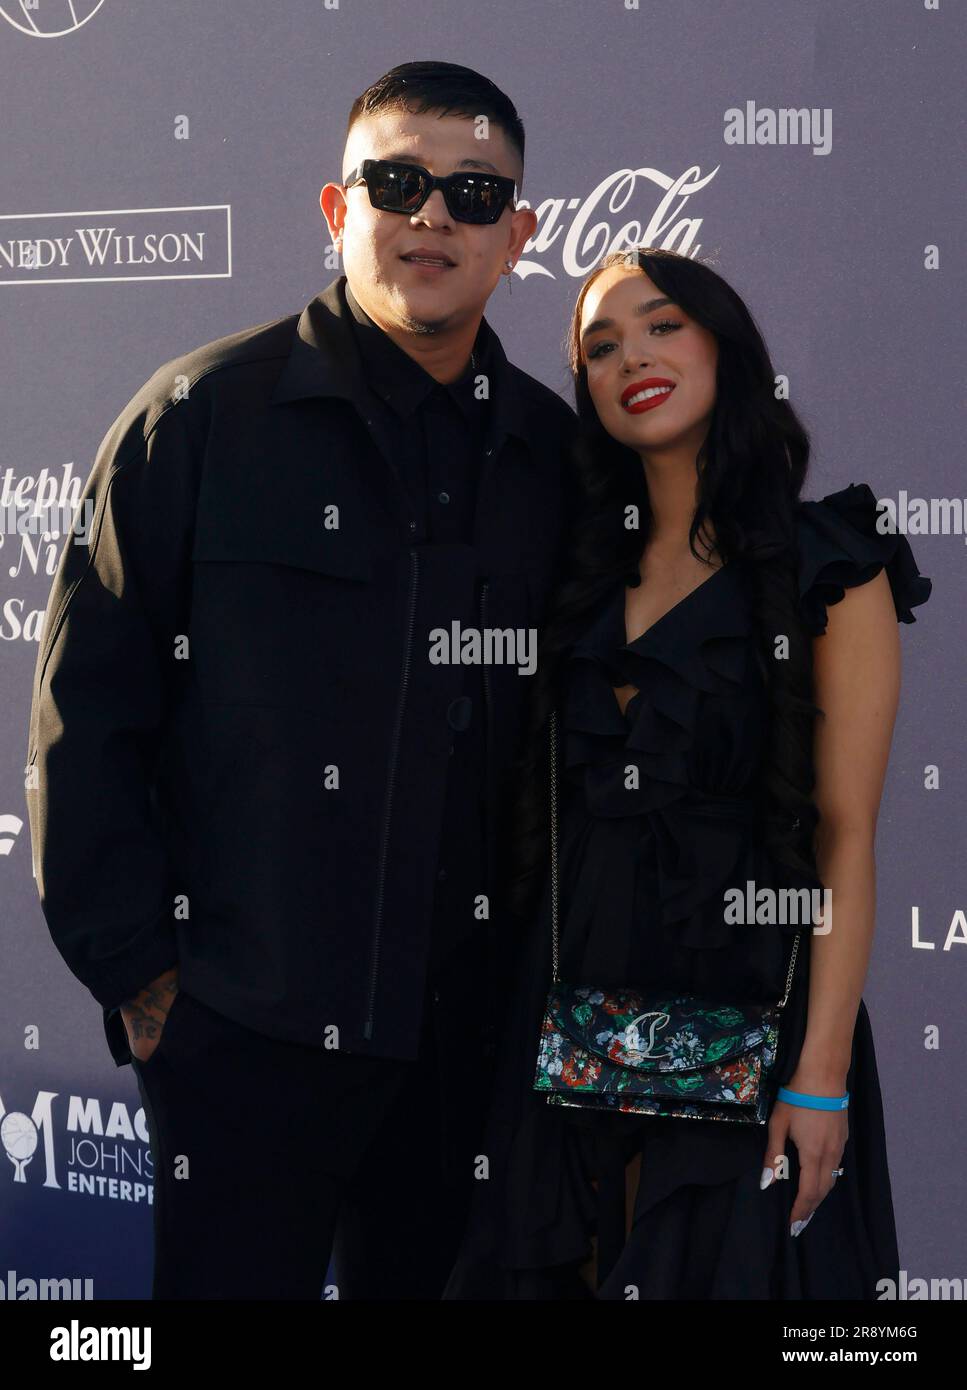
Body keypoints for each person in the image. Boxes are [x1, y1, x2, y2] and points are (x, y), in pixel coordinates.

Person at [25, 61, 578, 1299]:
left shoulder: (556, 457)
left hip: (471, 1055)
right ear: (338, 209)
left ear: (517, 235)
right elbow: (86, 713)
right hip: (243, 1037)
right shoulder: (198, 417)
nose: (432, 214)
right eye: (397, 181)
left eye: (473, 193)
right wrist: (146, 982)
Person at [443, 246, 932, 1300]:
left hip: (751, 1003)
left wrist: (822, 1076)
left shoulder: (827, 563)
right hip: (568, 1011)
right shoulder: (572, 575)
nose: (632, 358)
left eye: (662, 325)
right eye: (600, 347)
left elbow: (844, 834)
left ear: (725, 346)